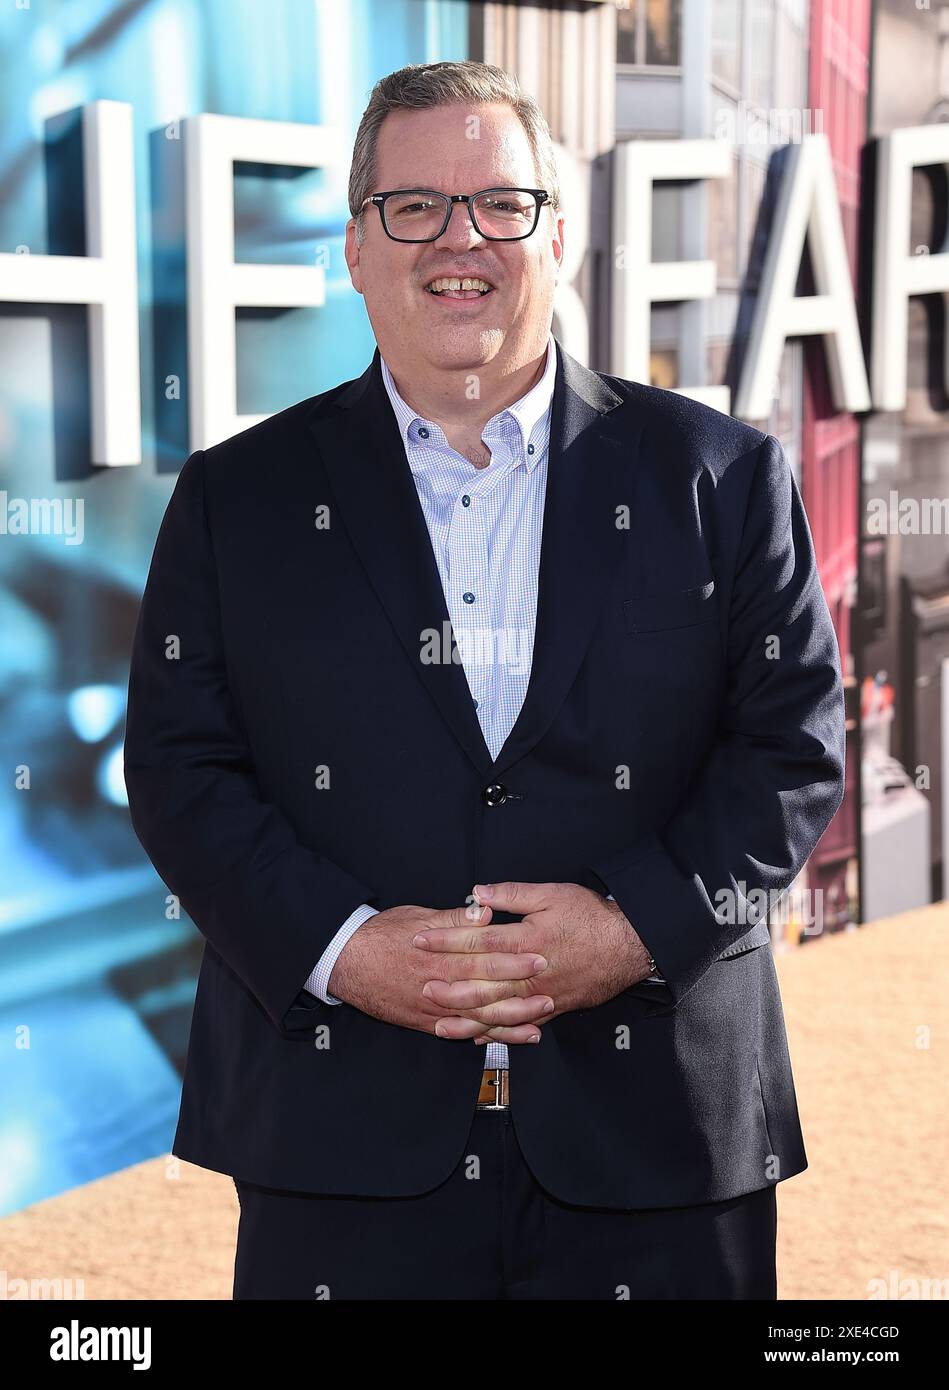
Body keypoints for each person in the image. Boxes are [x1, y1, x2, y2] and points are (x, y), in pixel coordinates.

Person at [123, 59, 846, 1300]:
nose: (460, 240)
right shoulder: (233, 502)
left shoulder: (721, 478)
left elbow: (791, 753)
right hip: (342, 1144)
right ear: (357, 246)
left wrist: (629, 930)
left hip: (660, 1140)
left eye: (500, 204)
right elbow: (183, 772)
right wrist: (345, 951)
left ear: (556, 235)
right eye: (414, 207)